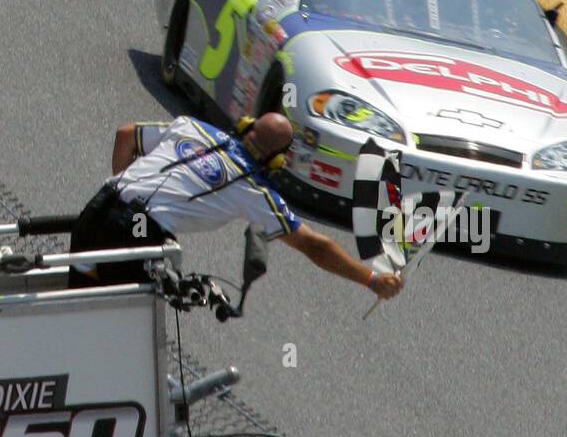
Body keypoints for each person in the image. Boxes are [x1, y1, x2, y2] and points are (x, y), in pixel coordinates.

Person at [70, 112, 404, 301]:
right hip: (131, 237)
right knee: (127, 327)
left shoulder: (192, 127)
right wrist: (372, 280)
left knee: (73, 305)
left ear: (247, 125)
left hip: (98, 208)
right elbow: (315, 246)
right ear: (276, 160)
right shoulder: (253, 190)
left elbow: (126, 134)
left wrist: (124, 187)